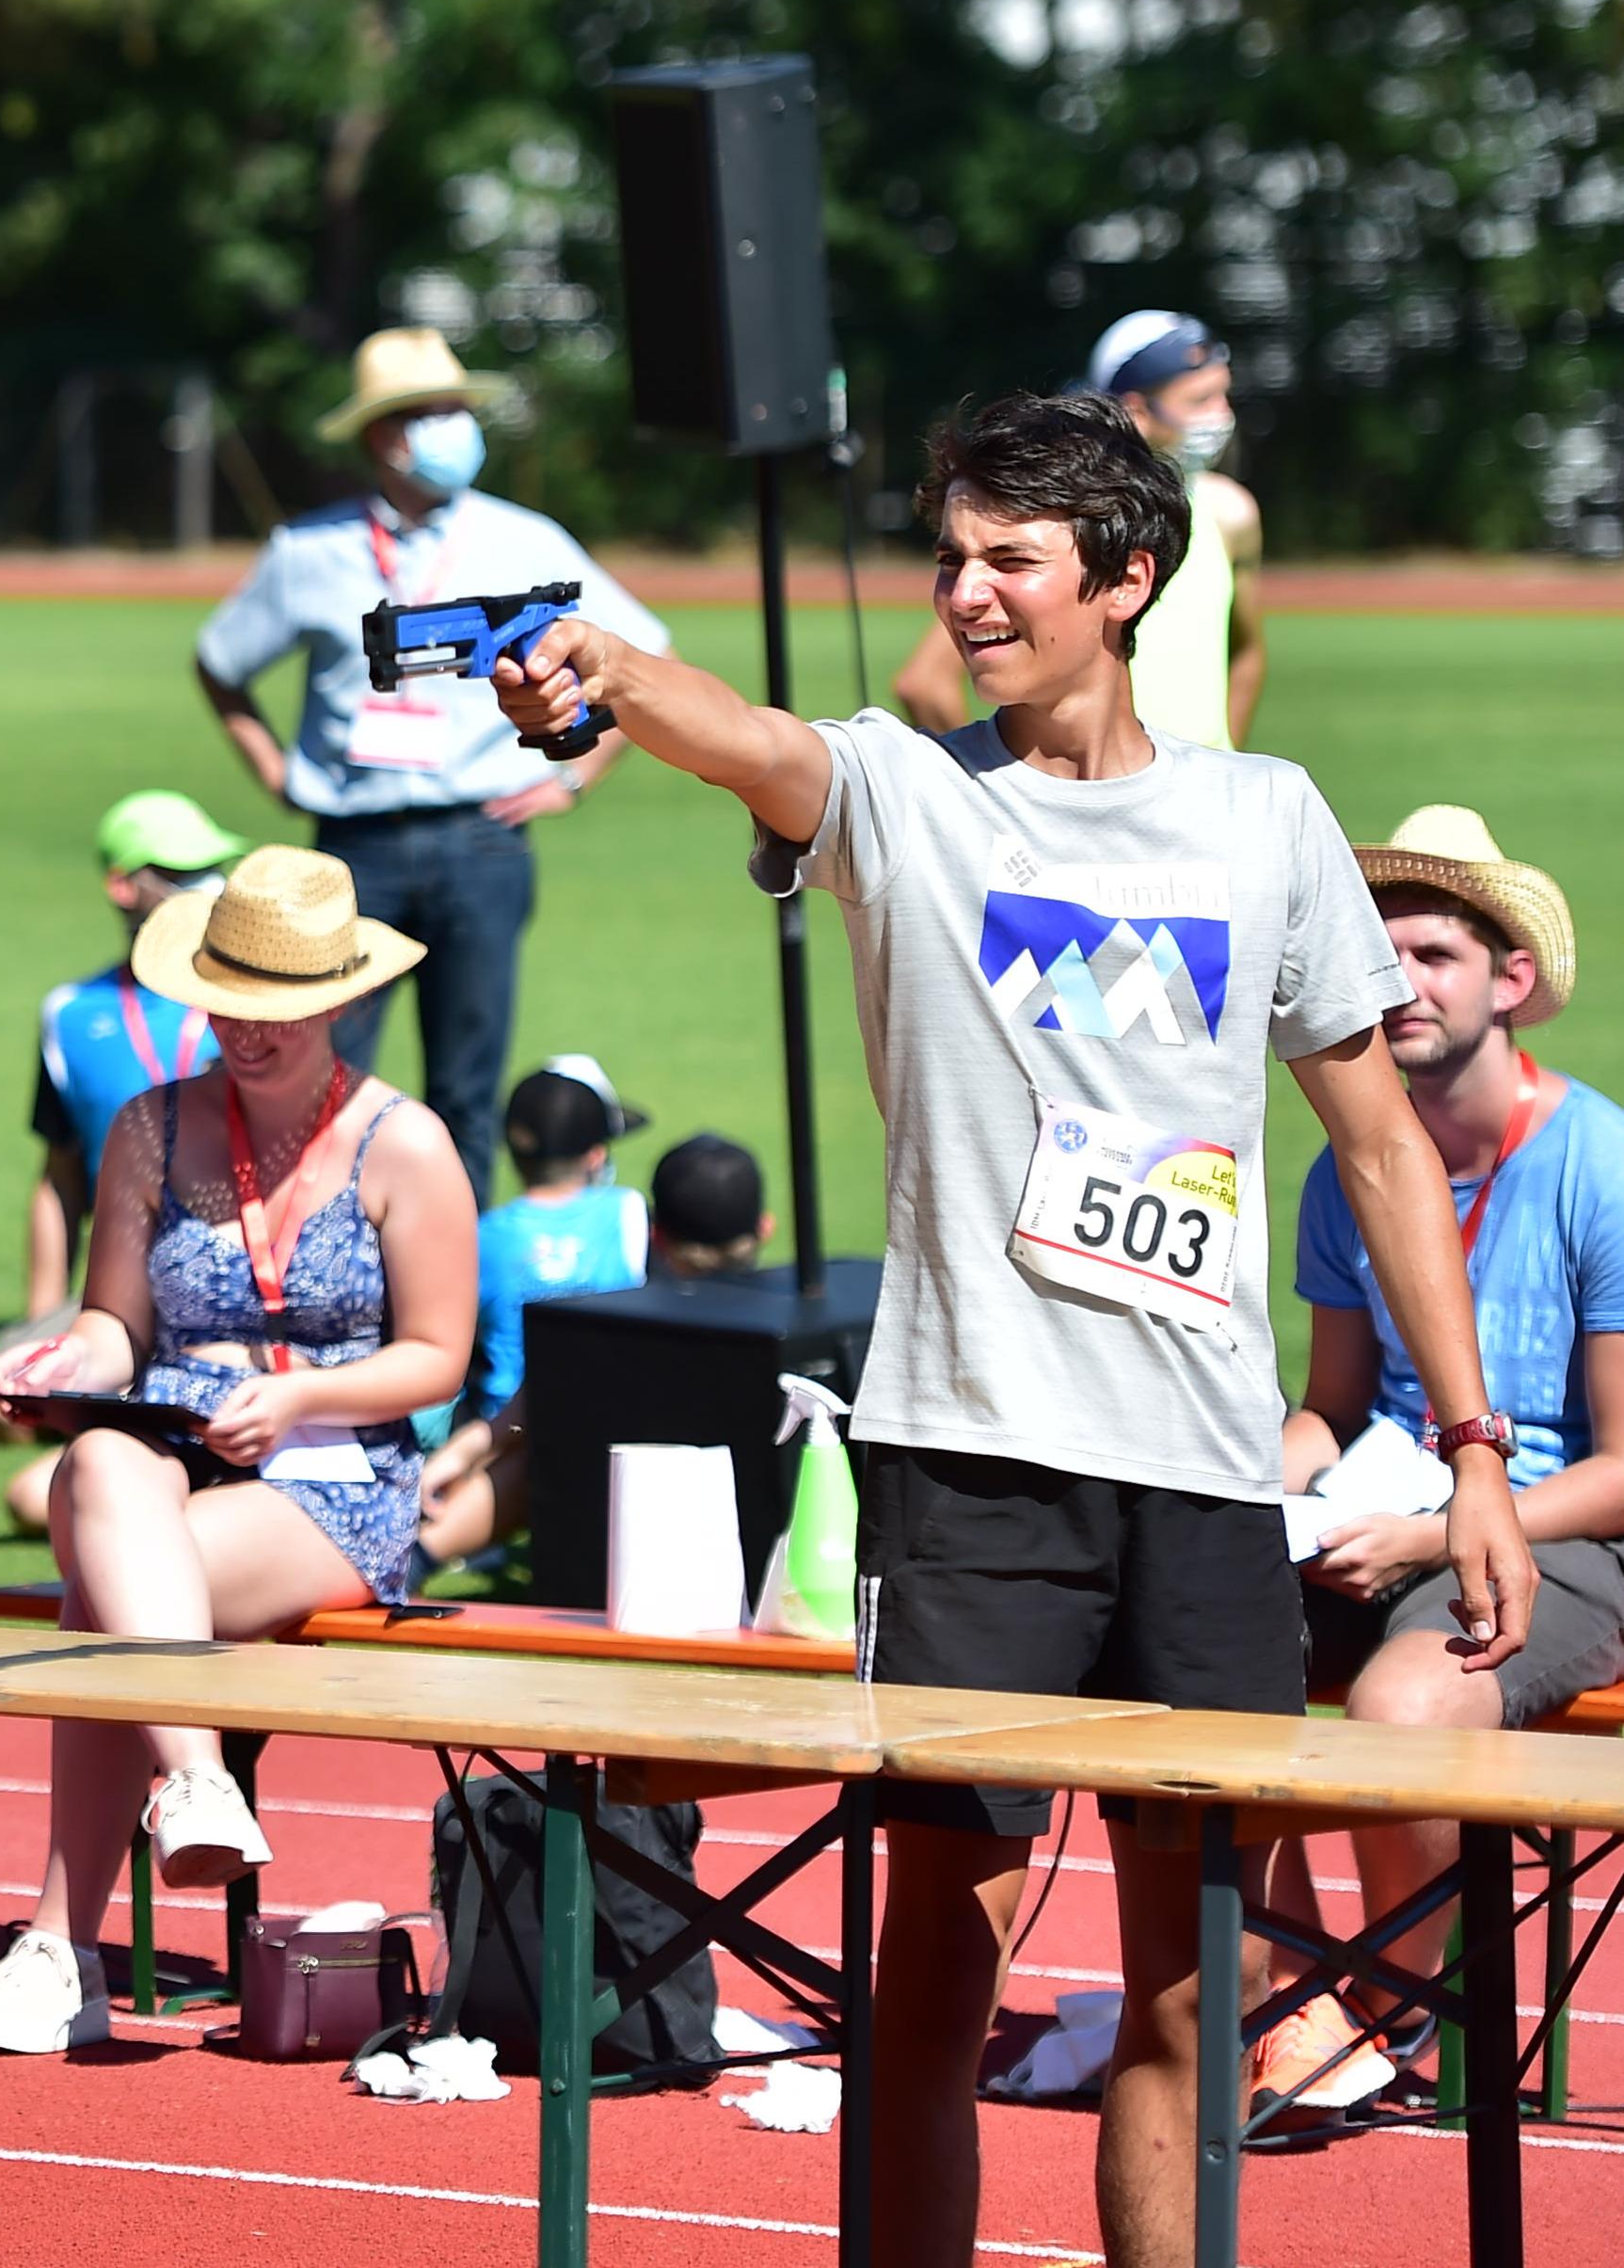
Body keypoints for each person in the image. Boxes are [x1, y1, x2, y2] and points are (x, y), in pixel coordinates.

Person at [490, 391, 1533, 2268]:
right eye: (950, 556)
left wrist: (1472, 1455)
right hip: (973, 1469)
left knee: (1185, 1992)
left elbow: (1377, 1144)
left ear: (1124, 581)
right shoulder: (904, 788)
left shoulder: (1261, 817)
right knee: (928, 1994)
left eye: (1010, 561)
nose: (966, 594)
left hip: (1207, 1490)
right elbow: (736, 731)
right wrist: (605, 666)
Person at [0, 846, 476, 2051]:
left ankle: (58, 1946)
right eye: (225, 999)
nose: (245, 1030)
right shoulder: (147, 1128)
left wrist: (297, 1402)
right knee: (93, 1467)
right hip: (174, 1455)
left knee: (103, 1590)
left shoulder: (407, 1143)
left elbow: (440, 1358)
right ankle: (193, 1782)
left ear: (339, 999)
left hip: (335, 1480)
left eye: (277, 1009)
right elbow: (112, 1326)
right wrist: (53, 1364)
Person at [1254, 805, 1624, 2108]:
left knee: (1402, 1708)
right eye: (1374, 954)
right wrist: (1257, 1479)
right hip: (1382, 1513)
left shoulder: (1601, 1164)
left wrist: (1432, 1532)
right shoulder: (1339, 1170)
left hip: (1561, 1539)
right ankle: (1270, 1996)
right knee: (1190, 1650)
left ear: (1510, 981)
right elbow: (1332, 1402)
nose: (1395, 985)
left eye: (1431, 954)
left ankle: (1371, 2014)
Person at [192, 327, 670, 1197]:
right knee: (320, 1080)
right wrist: (273, 768)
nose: (453, 427)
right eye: (429, 413)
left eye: (458, 409)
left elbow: (646, 657)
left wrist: (572, 776)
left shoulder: (525, 539)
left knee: (466, 1092)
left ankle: (454, 1310)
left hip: (479, 839)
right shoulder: (308, 551)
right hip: (349, 845)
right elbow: (219, 662)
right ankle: (322, 1285)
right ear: (381, 435)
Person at [893, 311, 1266, 752]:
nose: (1221, 416)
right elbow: (925, 683)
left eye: (1223, 395)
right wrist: (983, 791)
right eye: (1199, 400)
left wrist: (1222, 765)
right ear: (1135, 410)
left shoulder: (1230, 513)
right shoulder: (1064, 526)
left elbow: (1246, 651)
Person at [417, 1130, 772, 1573]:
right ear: (765, 1228)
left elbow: (531, 1415)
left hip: (615, 1547)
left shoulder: (617, 1337)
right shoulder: (787, 1334)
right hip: (763, 1539)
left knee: (543, 1449)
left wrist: (462, 1452)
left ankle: (418, 1557)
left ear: (656, 1234)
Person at [14, 791, 248, 1334]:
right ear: (123, 886)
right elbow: (59, 1175)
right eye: (178, 871)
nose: (206, 885)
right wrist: (40, 1323)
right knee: (2, 1403)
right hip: (121, 1290)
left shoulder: (258, 1001)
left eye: (212, 867)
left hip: (247, 1277)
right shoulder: (69, 1015)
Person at [463, 1055, 653, 1426]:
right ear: (595, 1155)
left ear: (514, 1154)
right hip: (611, 1421)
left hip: (506, 1431)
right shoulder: (630, 1212)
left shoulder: (481, 1236)